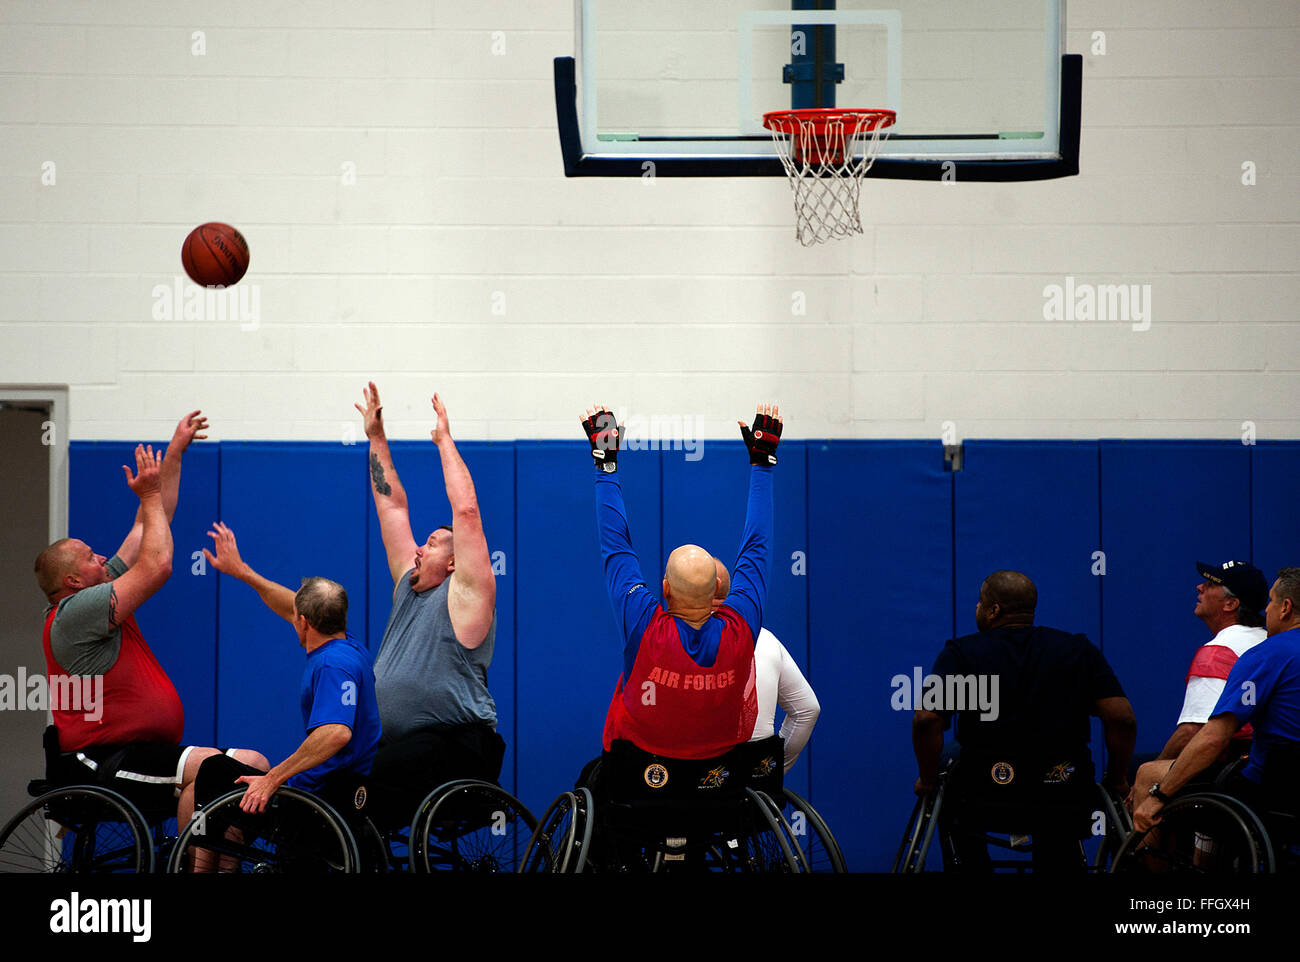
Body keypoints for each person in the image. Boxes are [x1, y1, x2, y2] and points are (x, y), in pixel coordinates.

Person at [32, 412, 268, 828]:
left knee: (251, 764)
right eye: (90, 557)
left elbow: (151, 524)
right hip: (104, 759)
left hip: (142, 749)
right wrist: (151, 496)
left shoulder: (101, 592)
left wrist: (174, 453)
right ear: (71, 580)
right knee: (217, 769)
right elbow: (158, 564)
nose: (102, 557)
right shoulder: (75, 612)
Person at [584, 403, 780, 764]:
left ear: (666, 590)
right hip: (717, 786)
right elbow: (757, 548)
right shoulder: (740, 628)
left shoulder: (645, 625)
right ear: (719, 593)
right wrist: (762, 464)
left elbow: (616, 545)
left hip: (639, 783)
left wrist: (606, 467)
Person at [912, 570, 1136, 873]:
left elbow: (926, 720)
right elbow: (1121, 717)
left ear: (993, 610)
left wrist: (927, 779)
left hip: (985, 790)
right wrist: (1119, 777)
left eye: (980, 603)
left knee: (950, 773)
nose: (976, 608)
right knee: (1058, 822)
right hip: (1063, 787)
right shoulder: (1077, 650)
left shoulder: (964, 653)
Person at [356, 384, 503, 818]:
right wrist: (376, 438)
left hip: (459, 744)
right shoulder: (409, 586)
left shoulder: (466, 599)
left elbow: (467, 512)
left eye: (434, 543)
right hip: (399, 745)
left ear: (457, 562)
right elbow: (391, 508)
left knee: (376, 775)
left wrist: (443, 441)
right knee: (335, 772)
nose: (419, 547)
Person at [194, 530, 381, 815]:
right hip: (330, 783)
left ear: (303, 622)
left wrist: (273, 778)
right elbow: (290, 604)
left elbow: (336, 733)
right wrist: (242, 572)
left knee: (214, 771)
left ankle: (209, 861)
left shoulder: (332, 666)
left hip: (316, 795)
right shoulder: (349, 647)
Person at [1133, 568, 1300, 833]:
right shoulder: (1263, 642)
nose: (1266, 610)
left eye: (1272, 601)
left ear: (1286, 608)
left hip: (1271, 791)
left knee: (1147, 774)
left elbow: (1204, 735)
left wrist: (1159, 795)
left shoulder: (1262, 653)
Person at [1130, 560, 1268, 804]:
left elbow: (1191, 732)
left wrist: (1158, 766)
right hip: (1271, 767)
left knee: (1144, 772)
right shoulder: (1270, 641)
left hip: (1235, 770)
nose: (1199, 587)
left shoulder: (1218, 651)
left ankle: (1151, 844)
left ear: (1230, 603)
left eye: (1210, 584)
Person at [712, 559, 819, 774]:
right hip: (755, 794)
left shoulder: (670, 640)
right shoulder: (766, 638)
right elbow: (808, 709)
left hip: (691, 795)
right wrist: (771, 771)